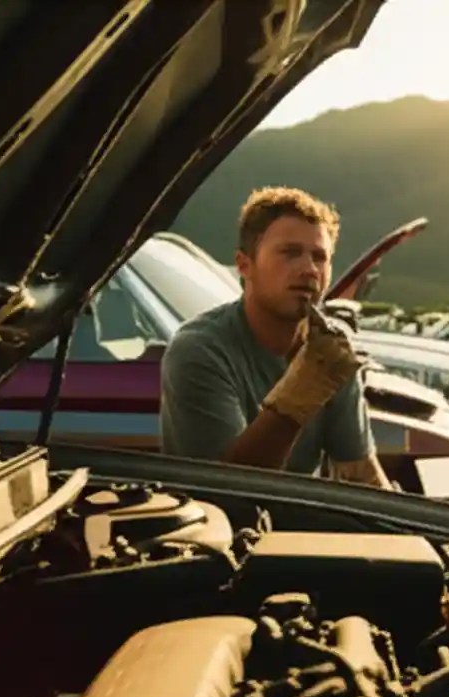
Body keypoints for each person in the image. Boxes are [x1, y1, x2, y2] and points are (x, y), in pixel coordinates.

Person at [159, 186, 395, 490]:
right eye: (290, 253)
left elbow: (361, 471)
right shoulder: (200, 350)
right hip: (220, 531)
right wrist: (299, 395)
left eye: (320, 257)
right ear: (245, 266)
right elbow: (228, 491)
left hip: (304, 530)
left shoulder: (330, 347)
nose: (310, 270)